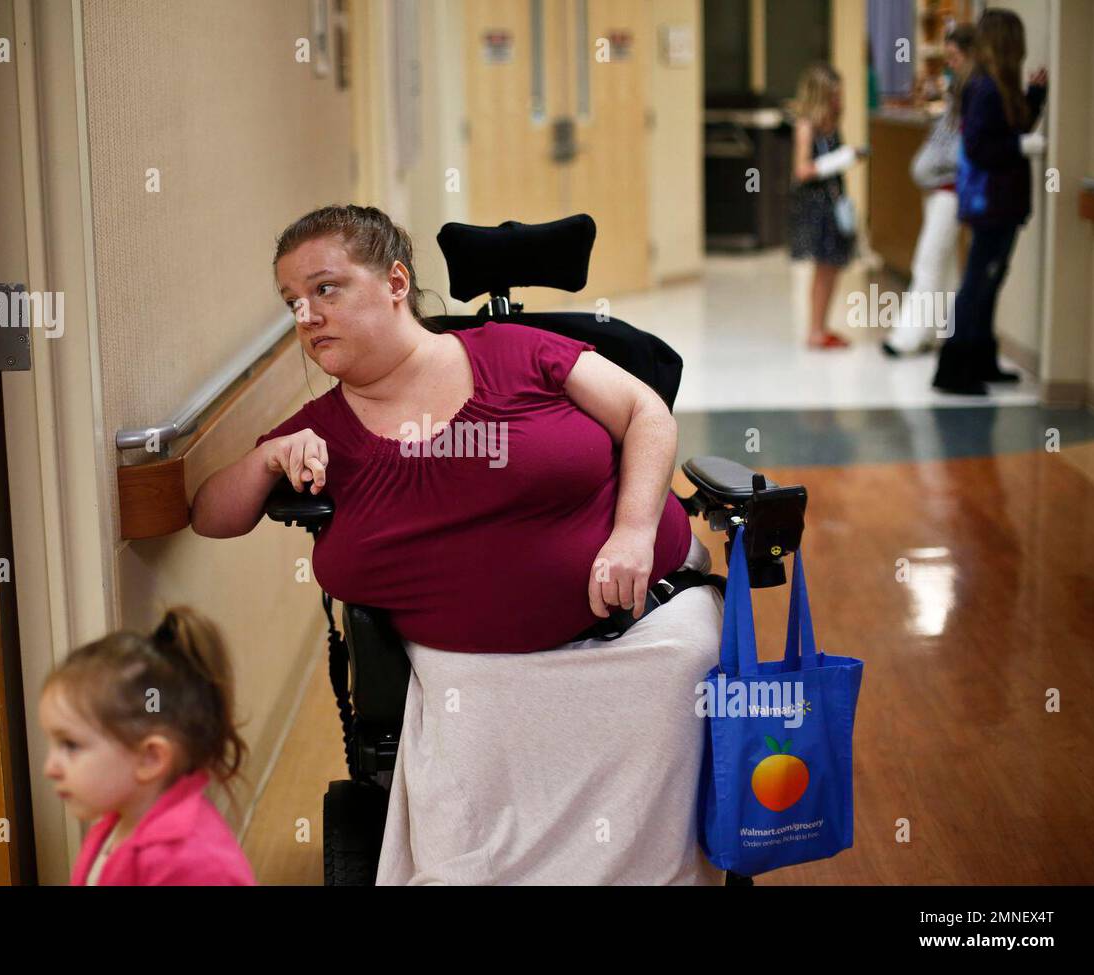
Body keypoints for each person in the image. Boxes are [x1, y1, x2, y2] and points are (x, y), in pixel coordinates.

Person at [190, 204, 725, 884]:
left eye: (325, 288)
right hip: (471, 667)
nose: (306, 315)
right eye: (292, 301)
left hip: (635, 624)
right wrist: (268, 460)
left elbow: (645, 411)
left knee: (688, 662)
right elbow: (211, 513)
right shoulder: (320, 430)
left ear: (394, 282)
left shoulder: (516, 348)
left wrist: (632, 532)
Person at [39, 607, 256, 885]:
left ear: (150, 758)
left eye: (70, 745)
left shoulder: (193, 862)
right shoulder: (117, 825)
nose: (50, 769)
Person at [932, 8, 1047, 395]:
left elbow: (1011, 127)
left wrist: (1035, 97)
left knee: (989, 282)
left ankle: (980, 361)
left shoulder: (997, 85)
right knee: (977, 284)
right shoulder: (985, 88)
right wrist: (1020, 145)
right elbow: (981, 146)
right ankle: (955, 369)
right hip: (991, 203)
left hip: (1001, 202)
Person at [882, 24, 976, 358]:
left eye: (954, 57)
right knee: (945, 264)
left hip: (951, 188)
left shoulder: (974, 94)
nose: (950, 64)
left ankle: (905, 337)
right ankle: (943, 334)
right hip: (938, 186)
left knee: (928, 262)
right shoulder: (957, 93)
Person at [789, 63, 866, 350]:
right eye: (833, 95)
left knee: (833, 266)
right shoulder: (805, 125)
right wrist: (840, 159)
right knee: (822, 269)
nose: (838, 100)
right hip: (816, 205)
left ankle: (822, 326)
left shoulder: (832, 124)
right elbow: (801, 170)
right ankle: (815, 330)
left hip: (835, 203)